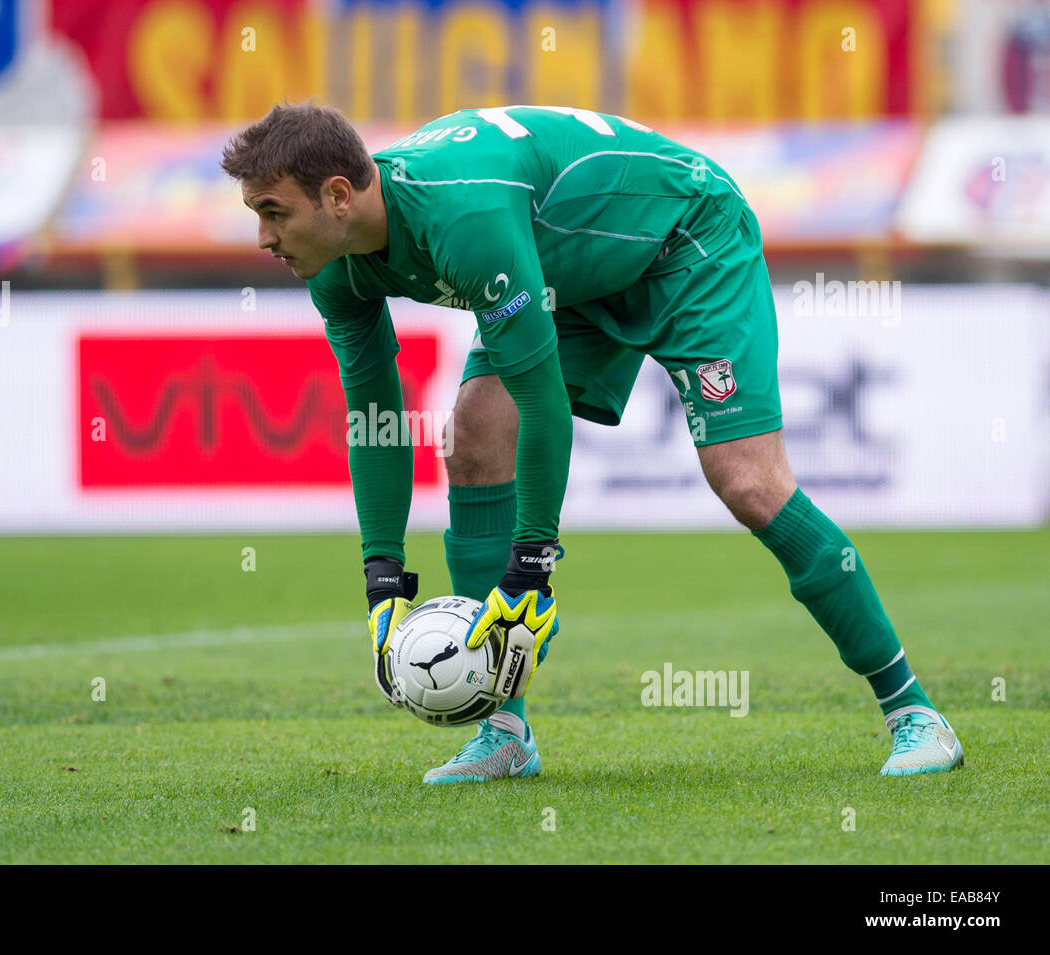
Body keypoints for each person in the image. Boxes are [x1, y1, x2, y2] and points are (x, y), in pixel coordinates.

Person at [220, 101, 964, 784]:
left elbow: (543, 404)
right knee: (476, 433)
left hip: (684, 236)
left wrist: (531, 566)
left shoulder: (463, 217)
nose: (264, 238)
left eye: (274, 213)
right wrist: (383, 574)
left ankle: (914, 712)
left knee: (747, 480)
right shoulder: (334, 270)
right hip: (571, 273)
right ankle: (503, 733)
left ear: (340, 195)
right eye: (257, 215)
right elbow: (375, 412)